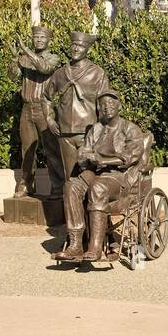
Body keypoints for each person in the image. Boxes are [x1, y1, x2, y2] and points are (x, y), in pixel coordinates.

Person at [56, 88, 151, 262]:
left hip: (119, 176)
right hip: (94, 172)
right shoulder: (96, 129)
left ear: (119, 106)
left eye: (110, 103)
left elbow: (131, 157)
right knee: (71, 187)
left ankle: (95, 247)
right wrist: (83, 156)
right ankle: (76, 244)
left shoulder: (130, 129)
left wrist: (103, 160)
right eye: (102, 105)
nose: (106, 107)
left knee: (97, 187)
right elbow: (84, 150)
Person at [40, 31, 108, 255]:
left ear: (87, 49)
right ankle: (74, 238)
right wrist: (49, 119)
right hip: (66, 136)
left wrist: (101, 133)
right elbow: (46, 97)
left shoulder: (97, 73)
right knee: (71, 185)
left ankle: (96, 236)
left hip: (89, 135)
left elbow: (105, 104)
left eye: (80, 46)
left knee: (91, 183)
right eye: (73, 45)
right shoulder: (60, 74)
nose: (75, 49)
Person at [8, 25, 64, 199]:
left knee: (51, 148)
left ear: (48, 40)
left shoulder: (54, 58)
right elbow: (12, 76)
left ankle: (58, 184)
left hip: (44, 109)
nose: (38, 40)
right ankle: (26, 184)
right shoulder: (24, 59)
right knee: (27, 150)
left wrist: (26, 51)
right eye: (36, 37)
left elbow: (44, 69)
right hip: (27, 108)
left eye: (42, 37)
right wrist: (13, 58)